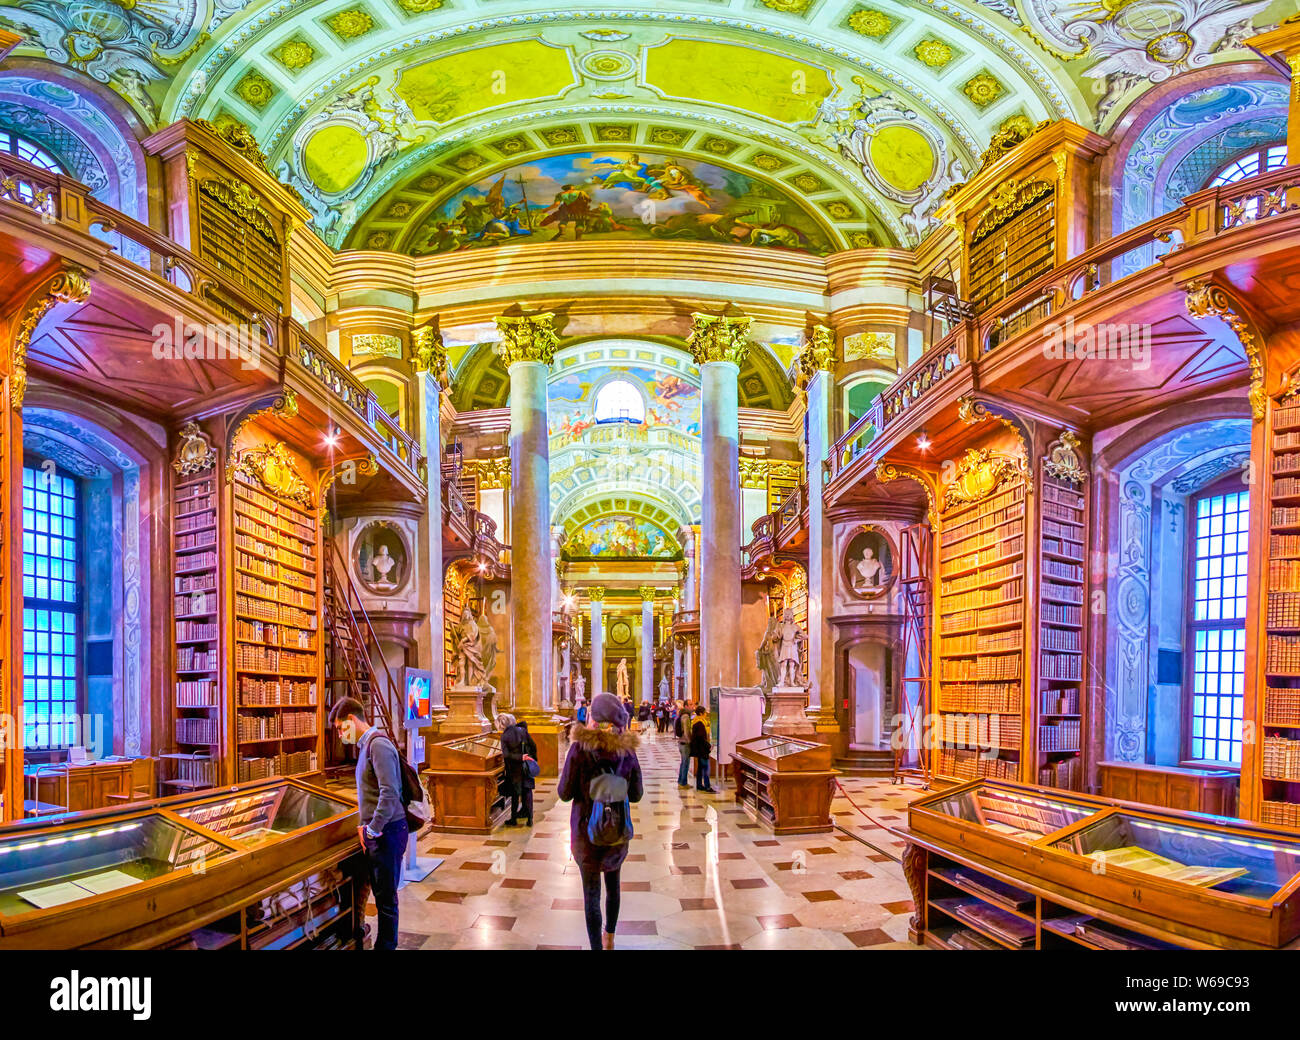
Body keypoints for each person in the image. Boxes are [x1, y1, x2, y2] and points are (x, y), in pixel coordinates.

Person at [558, 692, 643, 950]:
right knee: (613, 886)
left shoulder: (579, 749)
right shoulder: (627, 751)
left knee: (591, 895)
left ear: (593, 717)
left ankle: (596, 947)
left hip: (586, 833)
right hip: (616, 831)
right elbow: (637, 794)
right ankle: (610, 938)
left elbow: (564, 793)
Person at [330, 696, 407, 950]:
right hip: (378, 832)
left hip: (388, 831)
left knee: (385, 899)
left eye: (342, 728)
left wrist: (372, 829)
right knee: (378, 891)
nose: (341, 735)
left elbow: (390, 791)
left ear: (352, 720)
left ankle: (386, 946)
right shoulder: (365, 747)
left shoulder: (378, 745)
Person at [499, 712, 537, 827]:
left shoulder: (505, 736)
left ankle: (513, 819)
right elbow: (533, 745)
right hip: (526, 767)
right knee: (528, 792)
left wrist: (519, 757)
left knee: (515, 794)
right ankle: (530, 819)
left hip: (514, 769)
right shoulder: (522, 730)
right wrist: (531, 760)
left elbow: (506, 755)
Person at [690, 705, 715, 793]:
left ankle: (699, 785)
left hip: (699, 749)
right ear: (701, 713)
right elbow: (701, 738)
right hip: (702, 750)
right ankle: (707, 787)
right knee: (706, 769)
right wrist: (709, 746)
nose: (706, 714)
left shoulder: (696, 721)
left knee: (701, 768)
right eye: (704, 713)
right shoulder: (700, 723)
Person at [674, 699, 694, 787]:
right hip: (685, 743)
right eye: (690, 704)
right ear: (685, 706)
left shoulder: (682, 714)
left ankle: (680, 781)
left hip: (681, 742)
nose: (692, 706)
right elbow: (687, 731)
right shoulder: (685, 716)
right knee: (685, 763)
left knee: (683, 762)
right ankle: (683, 783)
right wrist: (690, 741)